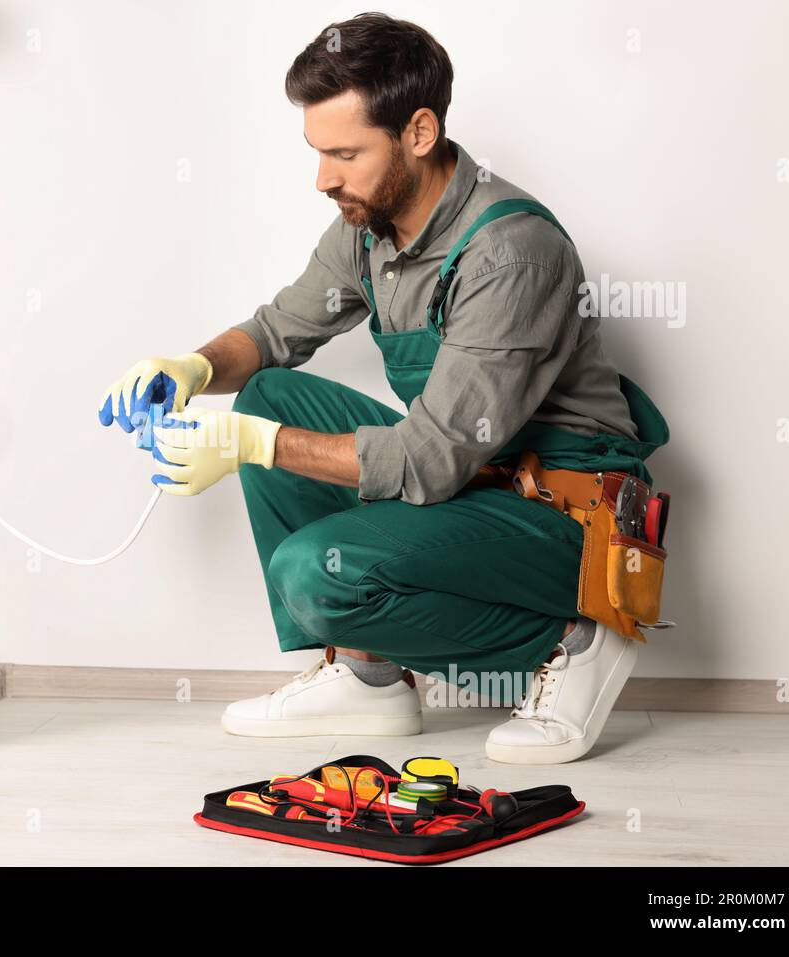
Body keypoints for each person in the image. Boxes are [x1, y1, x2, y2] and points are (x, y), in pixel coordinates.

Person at [97, 13, 668, 764]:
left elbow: (430, 458)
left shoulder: (511, 253)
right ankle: (367, 675)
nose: (323, 178)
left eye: (344, 153)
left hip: (564, 516)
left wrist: (250, 447)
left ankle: (579, 633)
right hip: (479, 481)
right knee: (269, 392)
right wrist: (192, 367)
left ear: (419, 132)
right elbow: (275, 332)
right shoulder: (369, 226)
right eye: (317, 152)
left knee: (311, 566)